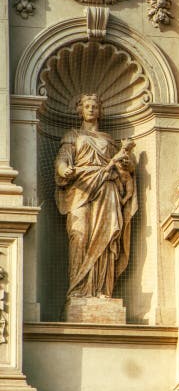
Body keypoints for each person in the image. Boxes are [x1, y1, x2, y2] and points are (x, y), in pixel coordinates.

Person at [54, 93, 138, 300]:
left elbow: (123, 167)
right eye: (87, 106)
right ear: (80, 110)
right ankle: (78, 289)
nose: (91, 109)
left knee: (107, 235)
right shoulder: (72, 135)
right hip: (80, 188)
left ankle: (101, 289)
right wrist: (64, 170)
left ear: (100, 111)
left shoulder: (109, 140)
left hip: (107, 189)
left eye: (94, 106)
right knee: (79, 234)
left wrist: (126, 165)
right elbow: (62, 160)